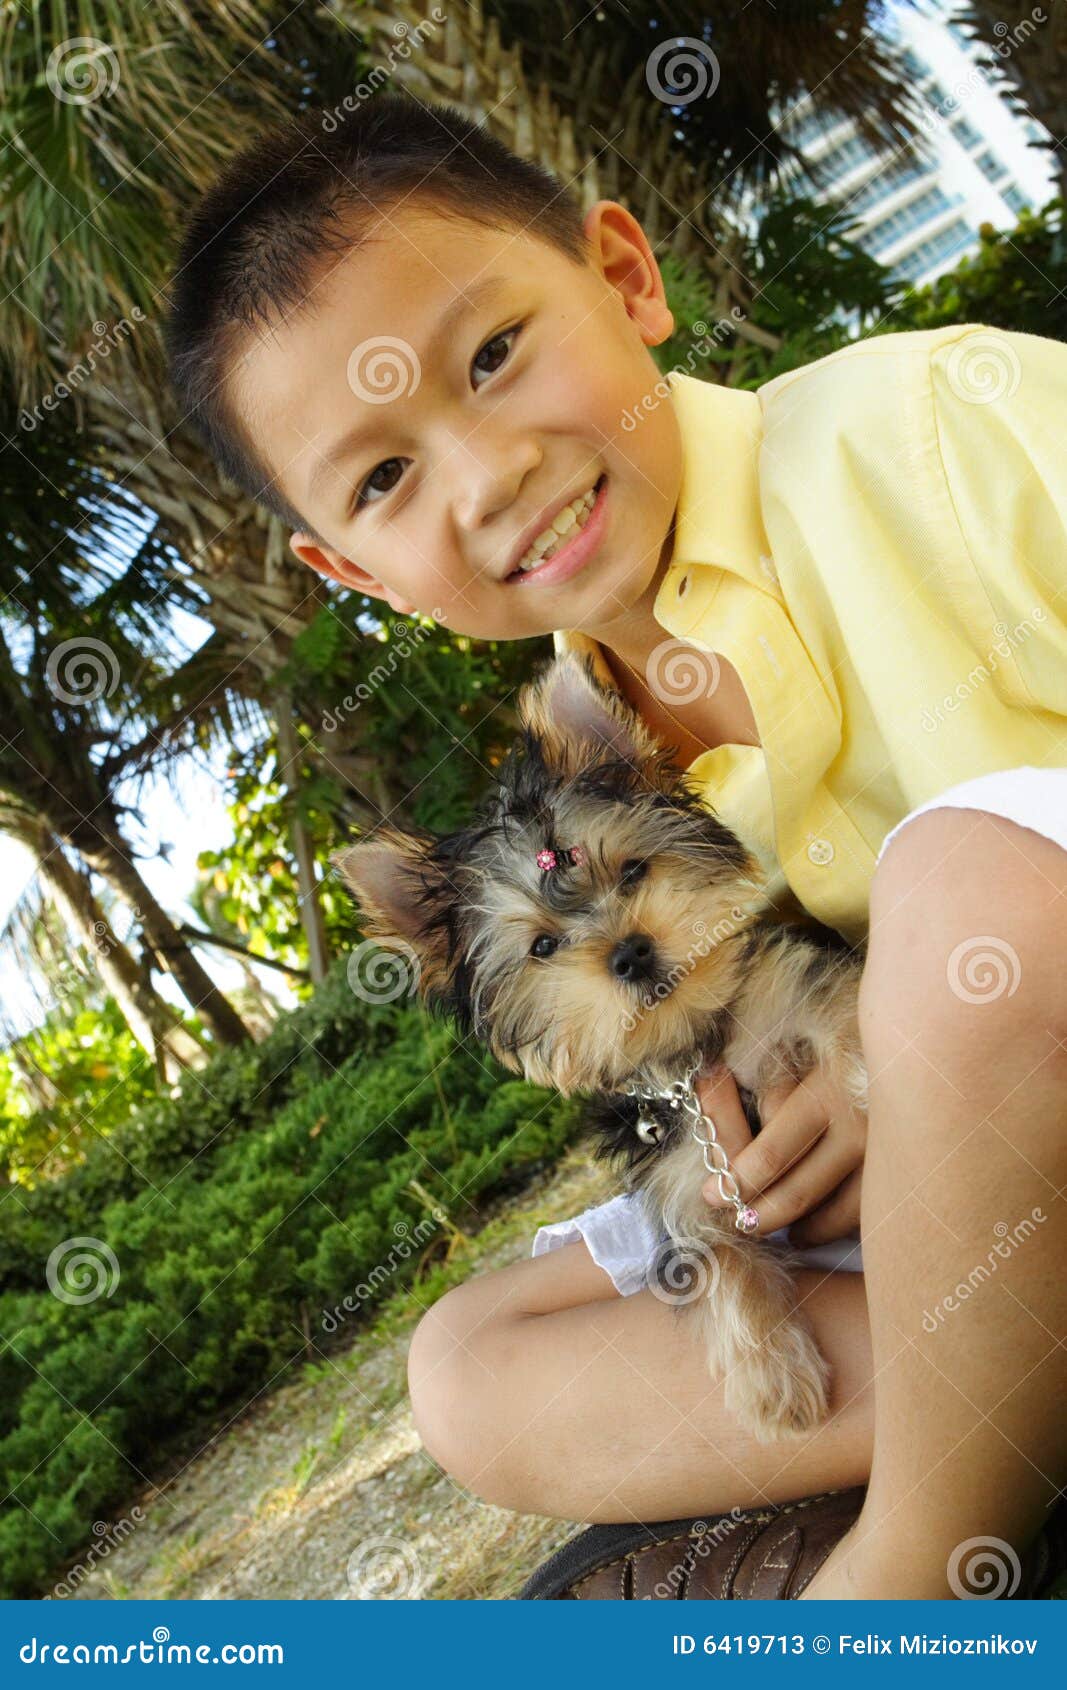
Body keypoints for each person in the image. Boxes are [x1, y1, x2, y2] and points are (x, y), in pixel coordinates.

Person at [165, 91, 1067, 1599]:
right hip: (966, 1230)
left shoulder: (935, 428)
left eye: (496, 354)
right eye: (383, 478)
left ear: (627, 274)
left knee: (959, 882)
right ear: (349, 570)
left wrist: (915, 1062)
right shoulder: (581, 758)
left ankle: (905, 1561)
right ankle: (1002, 1375)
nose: (488, 471)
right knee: (461, 1363)